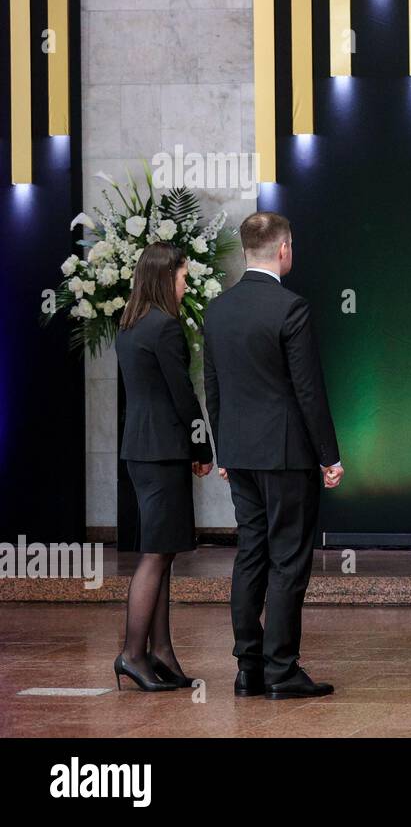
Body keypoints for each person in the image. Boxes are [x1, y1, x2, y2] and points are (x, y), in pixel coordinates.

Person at [203, 212, 342, 700]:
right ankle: (282, 670)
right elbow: (309, 391)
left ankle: (248, 667)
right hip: (286, 455)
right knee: (288, 560)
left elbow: (213, 389)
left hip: (240, 453)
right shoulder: (291, 308)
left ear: (246, 251)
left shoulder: (216, 311)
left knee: (250, 555)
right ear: (283, 249)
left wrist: (224, 451)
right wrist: (329, 456)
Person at [113, 242, 213, 692]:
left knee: (162, 550)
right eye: (182, 275)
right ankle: (133, 654)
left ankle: (161, 651)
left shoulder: (130, 326)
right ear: (163, 278)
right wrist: (203, 447)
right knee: (155, 554)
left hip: (139, 450)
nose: (186, 282)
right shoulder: (165, 328)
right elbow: (183, 395)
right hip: (164, 452)